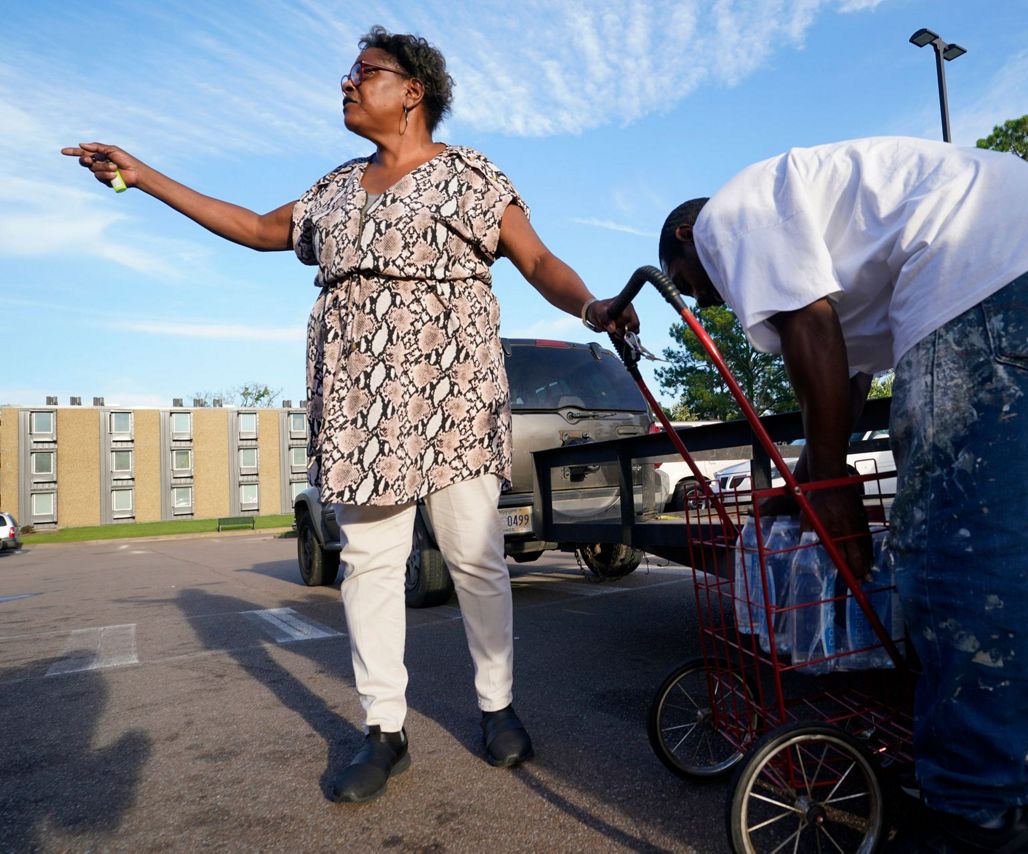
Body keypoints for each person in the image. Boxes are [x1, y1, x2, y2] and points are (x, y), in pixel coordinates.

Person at [64, 26, 637, 804]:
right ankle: (384, 730)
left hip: (452, 392)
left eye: (364, 72)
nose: (346, 83)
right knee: (369, 563)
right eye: (349, 72)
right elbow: (259, 229)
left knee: (474, 554)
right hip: (359, 400)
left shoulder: (471, 175)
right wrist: (146, 176)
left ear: (413, 91)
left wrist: (591, 304)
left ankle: (497, 706)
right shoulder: (335, 187)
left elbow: (535, 260)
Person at [656, 137, 1028, 852]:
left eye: (690, 283)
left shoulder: (730, 214)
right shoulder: (821, 233)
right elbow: (845, 378)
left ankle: (975, 819)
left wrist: (830, 483)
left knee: (948, 556)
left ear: (686, 238)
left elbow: (810, 329)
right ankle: (1003, 770)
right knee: (996, 552)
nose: (711, 299)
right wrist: (814, 472)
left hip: (982, 261)